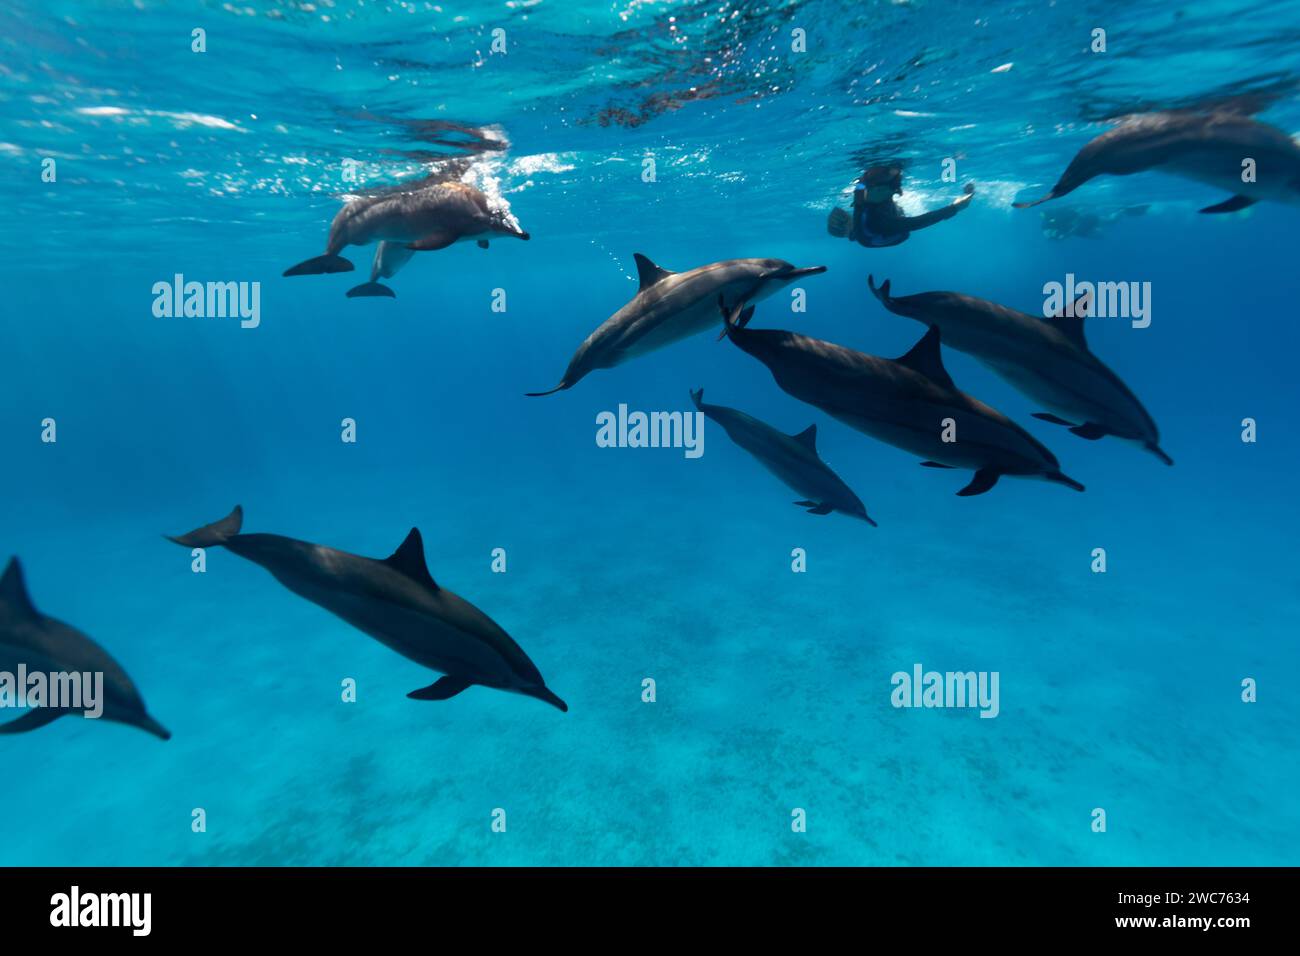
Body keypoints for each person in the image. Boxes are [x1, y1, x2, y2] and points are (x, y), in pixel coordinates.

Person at [827, 165, 974, 247]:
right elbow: (918, 222)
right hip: (894, 228)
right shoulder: (874, 225)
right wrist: (954, 208)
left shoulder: (863, 211)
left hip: (883, 212)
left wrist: (860, 183)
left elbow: (859, 197)